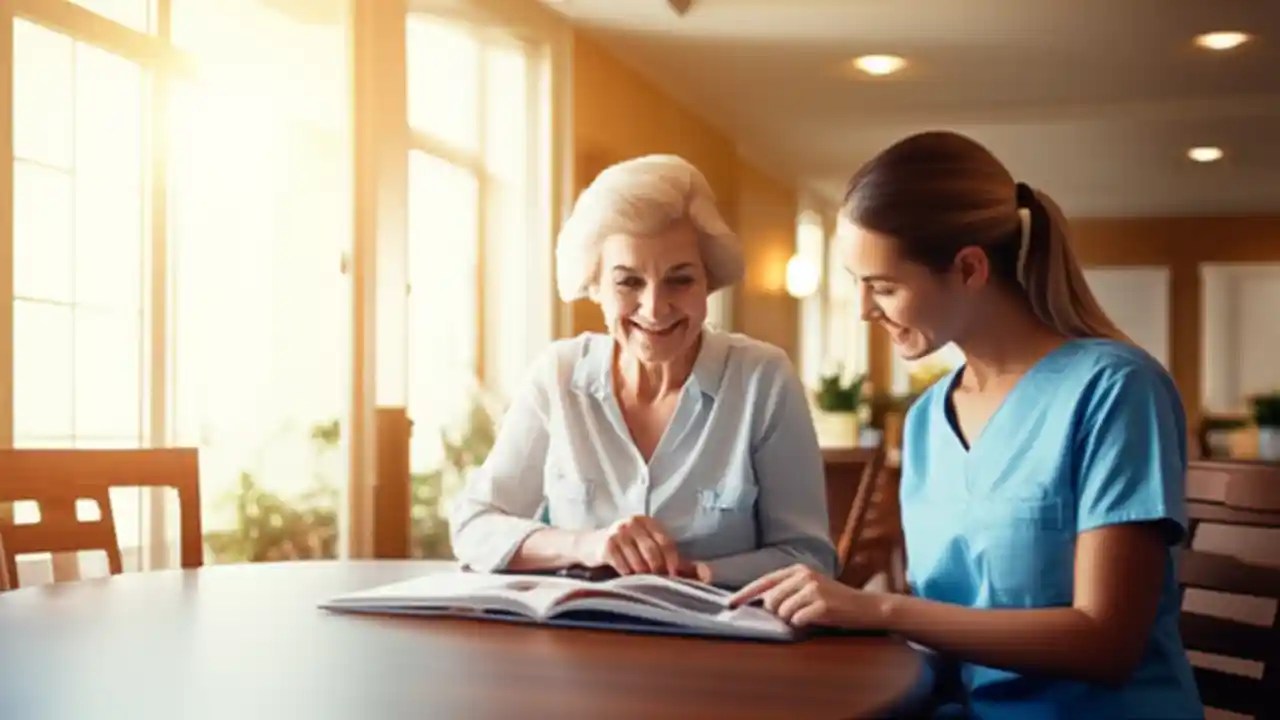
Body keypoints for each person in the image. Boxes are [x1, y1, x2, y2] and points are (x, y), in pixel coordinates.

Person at [730, 131, 1203, 718]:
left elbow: (1106, 642)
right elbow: (944, 627)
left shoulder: (1116, 389)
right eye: (858, 284)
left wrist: (880, 609)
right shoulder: (927, 420)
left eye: (884, 287)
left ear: (970, 268)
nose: (865, 309)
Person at [448, 154, 836, 589]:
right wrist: (587, 545)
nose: (654, 308)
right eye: (628, 282)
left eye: (680, 280)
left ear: (708, 282)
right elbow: (474, 527)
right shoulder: (558, 376)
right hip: (579, 628)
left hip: (717, 629)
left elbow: (809, 557)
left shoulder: (763, 380)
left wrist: (699, 574)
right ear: (595, 285)